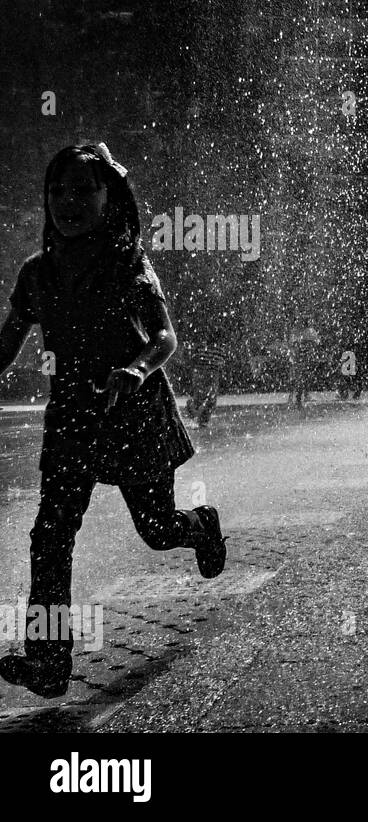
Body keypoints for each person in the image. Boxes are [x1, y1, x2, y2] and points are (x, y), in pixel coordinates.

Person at [0, 143, 227, 698]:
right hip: (73, 421)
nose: (68, 202)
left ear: (109, 198)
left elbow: (166, 336)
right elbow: (5, 344)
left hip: (134, 416)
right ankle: (49, 661)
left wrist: (137, 367)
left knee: (155, 530)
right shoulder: (37, 274)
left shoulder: (129, 266)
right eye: (58, 191)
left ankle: (200, 526)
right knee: (50, 539)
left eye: (83, 190)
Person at [188, 334, 227, 427]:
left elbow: (194, 359)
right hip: (212, 374)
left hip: (199, 373)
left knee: (198, 396)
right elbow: (221, 364)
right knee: (211, 397)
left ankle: (195, 416)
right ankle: (203, 419)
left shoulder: (201, 348)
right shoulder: (220, 350)